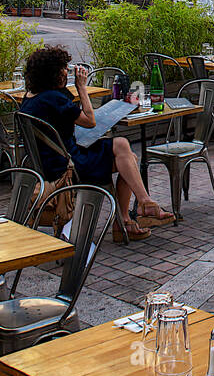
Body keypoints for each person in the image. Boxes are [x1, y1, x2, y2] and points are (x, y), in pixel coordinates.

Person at [19, 46, 174, 242]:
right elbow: (90, 121)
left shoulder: (31, 98)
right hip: (68, 168)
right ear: (53, 73)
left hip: (50, 163)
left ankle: (128, 219)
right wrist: (82, 87)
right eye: (63, 68)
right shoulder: (53, 99)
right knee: (124, 150)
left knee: (127, 157)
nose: (67, 72)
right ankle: (135, 210)